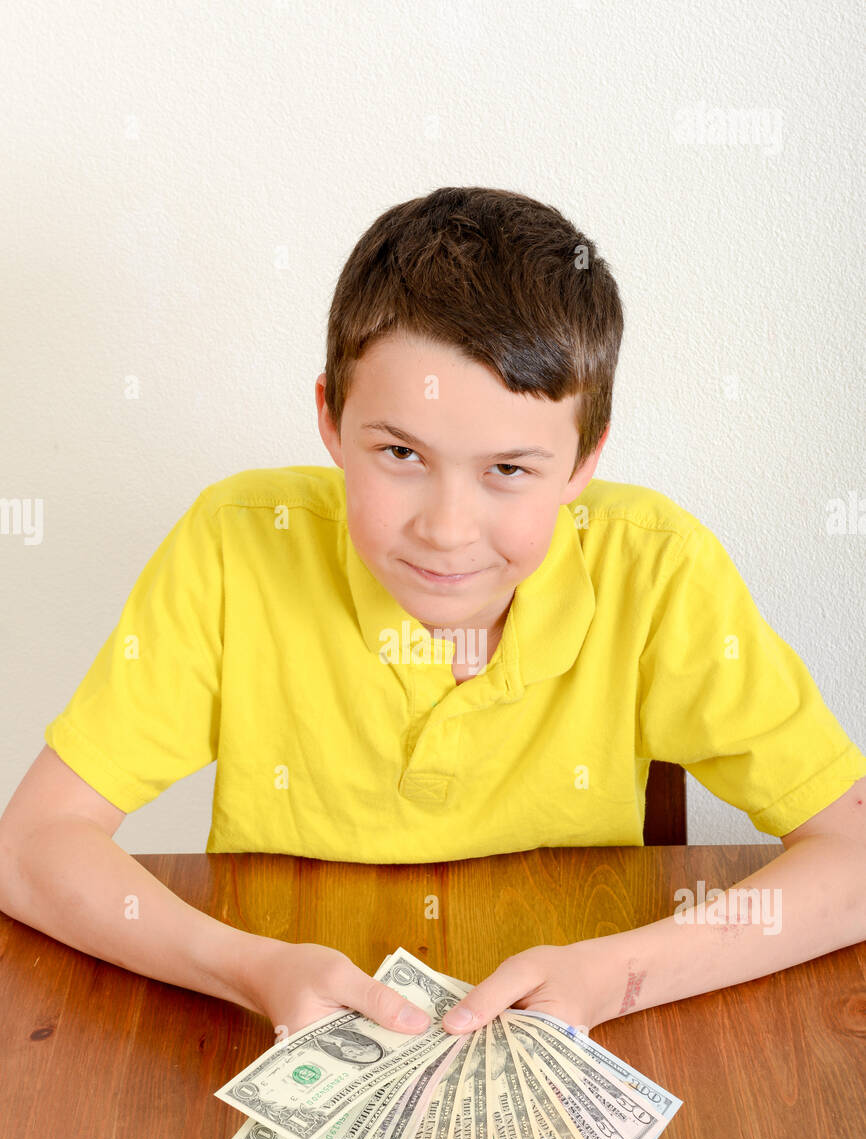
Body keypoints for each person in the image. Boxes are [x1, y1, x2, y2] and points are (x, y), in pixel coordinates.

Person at [1, 186, 864, 1042]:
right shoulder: (235, 546)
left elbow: (855, 858)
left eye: (509, 470)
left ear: (582, 463)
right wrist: (252, 968)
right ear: (330, 420)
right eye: (401, 453)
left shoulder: (658, 567)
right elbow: (30, 846)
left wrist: (614, 974)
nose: (447, 530)